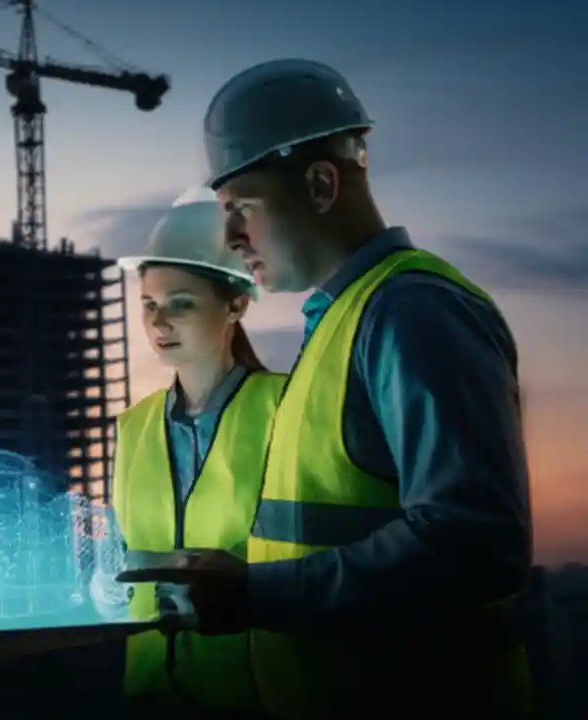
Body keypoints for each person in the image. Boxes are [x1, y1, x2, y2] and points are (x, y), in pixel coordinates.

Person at [149, 59, 532, 718]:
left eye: (241, 207)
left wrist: (252, 594)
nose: (232, 237)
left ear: (322, 184)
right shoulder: (343, 320)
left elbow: (475, 544)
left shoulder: (413, 311)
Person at [91, 187, 285, 718]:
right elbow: (125, 551)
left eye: (181, 303)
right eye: (150, 305)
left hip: (254, 692)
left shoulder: (283, 408)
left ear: (237, 304)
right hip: (151, 691)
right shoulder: (133, 427)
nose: (158, 323)